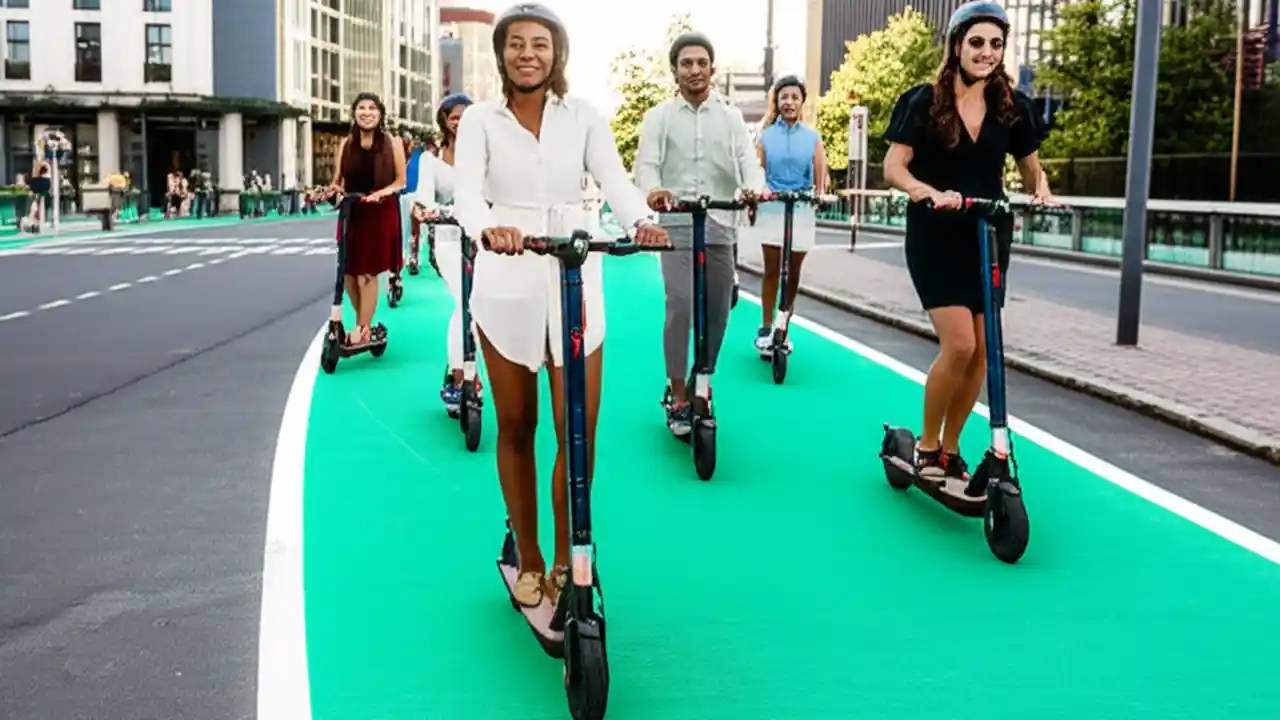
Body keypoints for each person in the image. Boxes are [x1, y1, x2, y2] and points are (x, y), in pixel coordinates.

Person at [453, 2, 669, 608]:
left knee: (579, 427)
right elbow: (468, 191)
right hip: (507, 275)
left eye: (539, 44)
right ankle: (529, 558)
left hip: (574, 267)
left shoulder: (584, 116)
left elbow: (616, 180)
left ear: (558, 54)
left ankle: (571, 558)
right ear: (501, 55)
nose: (528, 53)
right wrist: (488, 228)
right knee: (517, 425)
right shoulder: (480, 122)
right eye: (516, 44)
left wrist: (642, 222)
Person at [882, 0, 1054, 481]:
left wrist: (1039, 187)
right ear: (957, 45)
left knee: (983, 349)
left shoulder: (1012, 106)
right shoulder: (924, 101)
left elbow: (1029, 167)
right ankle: (927, 445)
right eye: (977, 42)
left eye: (996, 44)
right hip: (937, 232)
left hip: (989, 232)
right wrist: (925, 191)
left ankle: (952, 448)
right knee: (958, 344)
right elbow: (894, 166)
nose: (987, 52)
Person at [634, 31, 765, 437]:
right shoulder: (659, 117)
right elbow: (646, 166)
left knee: (719, 310)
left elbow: (748, 162)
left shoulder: (730, 117)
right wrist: (654, 192)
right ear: (674, 70)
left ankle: (701, 379)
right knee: (681, 303)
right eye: (686, 63)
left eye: (701, 63)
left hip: (720, 223)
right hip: (675, 225)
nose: (694, 70)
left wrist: (752, 188)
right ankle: (676, 392)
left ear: (712, 68)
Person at [407, 91, 476, 415]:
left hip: (482, 239)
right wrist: (430, 211)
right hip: (448, 239)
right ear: (445, 123)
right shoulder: (430, 160)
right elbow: (422, 198)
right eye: (454, 117)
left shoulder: (484, 157)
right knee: (465, 302)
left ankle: (465, 369)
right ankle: (459, 374)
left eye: (465, 116)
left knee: (483, 306)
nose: (459, 123)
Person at [751, 75, 828, 358]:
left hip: (801, 205)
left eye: (795, 97)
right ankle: (766, 325)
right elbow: (758, 170)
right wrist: (758, 193)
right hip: (773, 204)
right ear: (777, 101)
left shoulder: (812, 137)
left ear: (802, 102)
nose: (789, 102)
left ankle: (784, 325)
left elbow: (820, 169)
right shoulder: (766, 135)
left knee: (793, 271)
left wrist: (819, 193)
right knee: (772, 267)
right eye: (784, 97)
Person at [327, 92, 407, 346]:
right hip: (353, 211)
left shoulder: (392, 143)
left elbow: (400, 181)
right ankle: (366, 324)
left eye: (372, 108)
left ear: (380, 113)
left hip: (380, 212)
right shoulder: (346, 144)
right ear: (354, 113)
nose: (367, 112)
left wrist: (379, 195)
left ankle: (362, 329)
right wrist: (332, 191)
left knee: (367, 274)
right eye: (361, 108)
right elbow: (338, 181)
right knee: (348, 274)